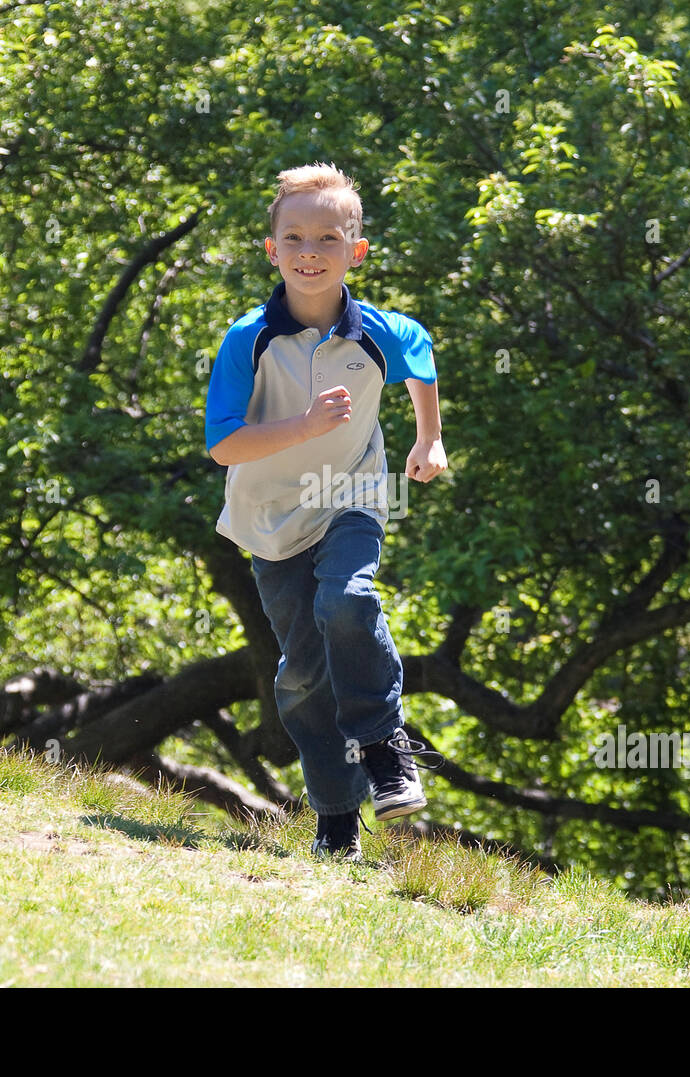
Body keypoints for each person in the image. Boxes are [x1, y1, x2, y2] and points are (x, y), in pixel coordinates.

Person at [204, 162, 448, 859]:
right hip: (271, 519)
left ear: (356, 251)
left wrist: (428, 438)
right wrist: (303, 428)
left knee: (347, 599)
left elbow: (421, 356)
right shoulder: (246, 338)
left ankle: (383, 743)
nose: (311, 251)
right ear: (272, 249)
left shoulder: (377, 331)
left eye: (329, 238)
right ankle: (337, 813)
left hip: (352, 494)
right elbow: (223, 445)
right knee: (303, 675)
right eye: (295, 237)